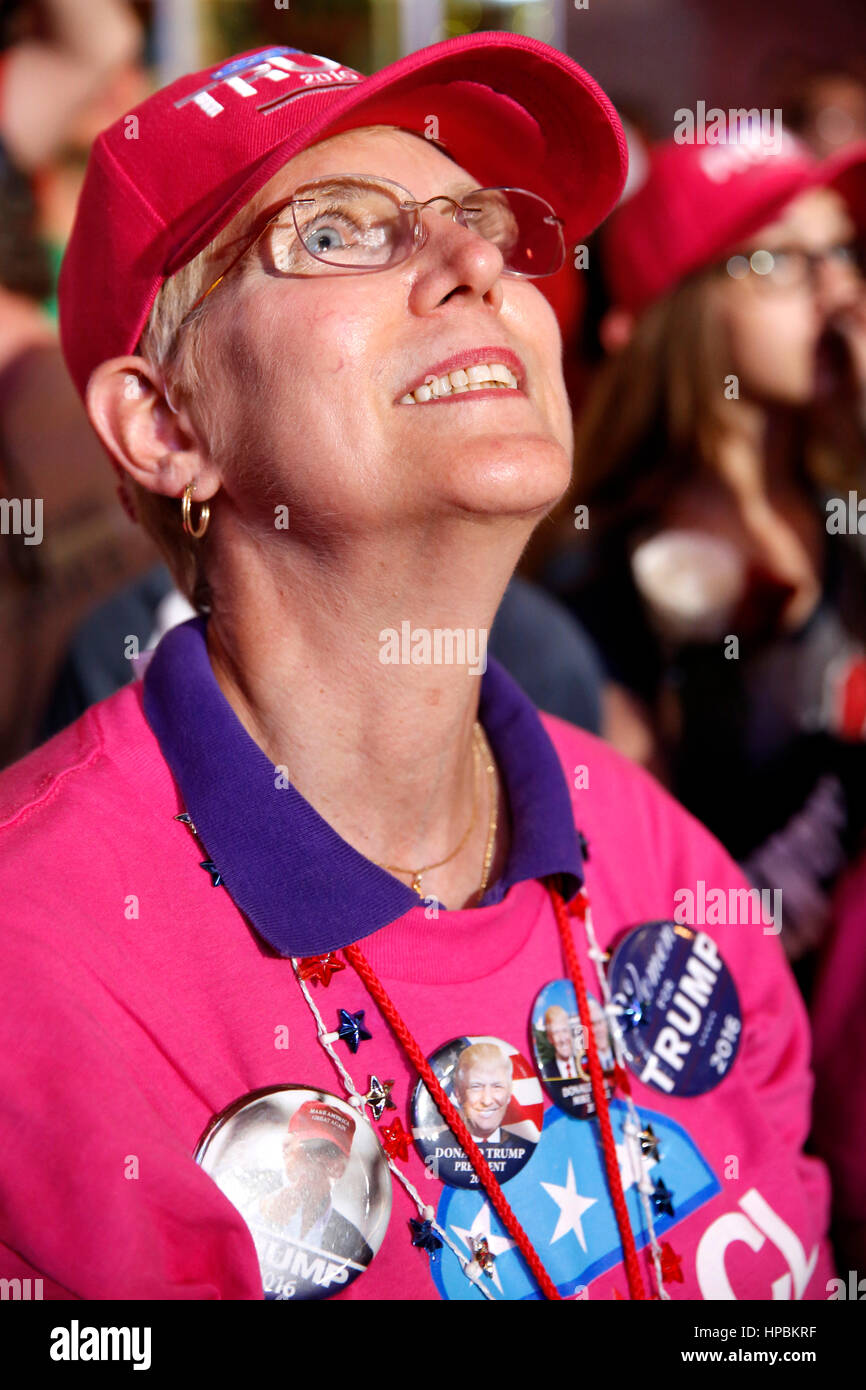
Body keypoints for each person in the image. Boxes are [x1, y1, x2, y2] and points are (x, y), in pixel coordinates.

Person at [0, 37, 835, 1301]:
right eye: (338, 232)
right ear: (167, 426)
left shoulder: (663, 864)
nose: (477, 266)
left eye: (483, 222)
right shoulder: (36, 970)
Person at [545, 129, 866, 970]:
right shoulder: (603, 564)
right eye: (779, 263)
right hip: (739, 1018)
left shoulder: (847, 509)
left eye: (842, 252)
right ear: (685, 311)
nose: (835, 293)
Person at [452, 1042, 519, 1144]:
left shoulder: (521, 1145)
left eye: (497, 1086)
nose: (487, 1101)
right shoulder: (440, 1144)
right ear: (458, 1093)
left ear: (509, 1093)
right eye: (476, 1086)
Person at [540, 1004, 588, 1081]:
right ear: (550, 1038)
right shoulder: (547, 1072)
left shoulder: (587, 1066)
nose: (562, 1039)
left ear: (570, 1032)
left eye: (564, 1030)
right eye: (556, 1032)